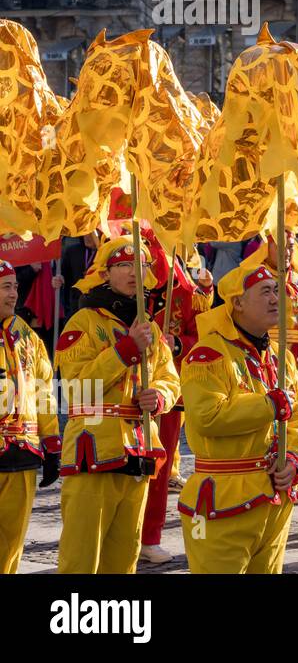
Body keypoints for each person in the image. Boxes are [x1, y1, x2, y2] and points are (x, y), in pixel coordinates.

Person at [177, 251, 298, 573]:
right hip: (225, 499)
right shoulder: (208, 353)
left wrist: (295, 458)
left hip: (274, 497)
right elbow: (207, 416)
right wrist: (268, 405)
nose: (276, 299)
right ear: (237, 303)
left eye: (278, 291)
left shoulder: (282, 358)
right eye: (265, 292)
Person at [54, 236, 180, 574]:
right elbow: (78, 388)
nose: (133, 272)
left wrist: (160, 397)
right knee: (82, 556)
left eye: (140, 266)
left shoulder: (149, 327)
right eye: (123, 265)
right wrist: (125, 350)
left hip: (138, 452)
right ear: (106, 273)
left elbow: (170, 379)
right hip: (93, 453)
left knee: (125, 557)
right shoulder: (84, 322)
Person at [138, 228, 214, 566]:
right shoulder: (119, 283)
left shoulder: (187, 288)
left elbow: (201, 333)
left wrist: (178, 345)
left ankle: (148, 536)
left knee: (161, 464)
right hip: (122, 387)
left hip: (166, 387)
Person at [247, 229, 298, 504]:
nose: (285, 251)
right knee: (276, 415)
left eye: (290, 246)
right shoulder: (256, 277)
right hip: (273, 354)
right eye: (279, 245)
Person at [0, 259, 60, 574]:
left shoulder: (27, 335)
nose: (14, 294)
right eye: (6, 287)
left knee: (12, 543)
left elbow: (43, 391)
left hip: (21, 454)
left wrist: (51, 443)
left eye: (15, 287)